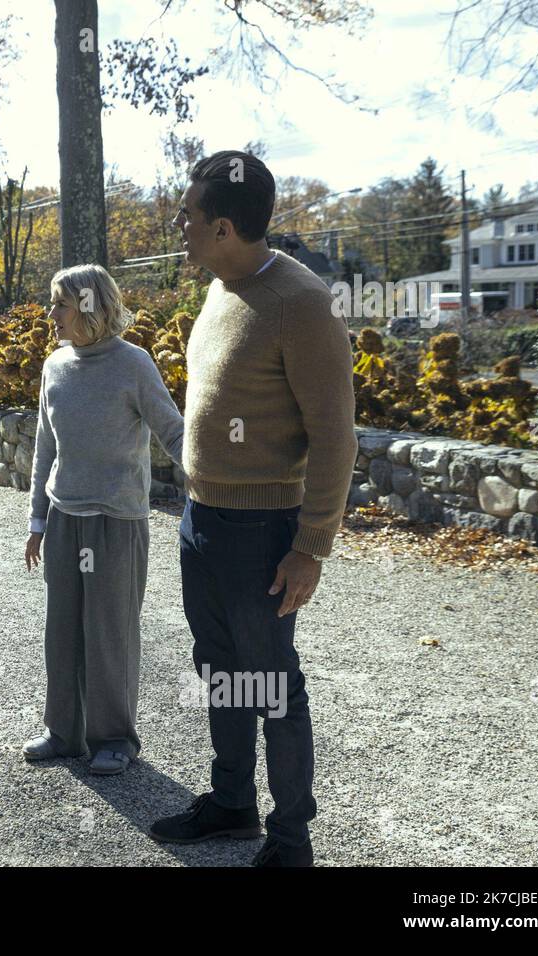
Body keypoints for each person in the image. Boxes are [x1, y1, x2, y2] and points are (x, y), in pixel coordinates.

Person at [146, 151, 357, 866]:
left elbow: (335, 434)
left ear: (225, 229)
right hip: (200, 517)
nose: (179, 226)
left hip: (262, 532)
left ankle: (291, 838)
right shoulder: (220, 286)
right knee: (220, 668)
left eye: (188, 217)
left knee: (272, 684)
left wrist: (312, 545)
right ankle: (232, 803)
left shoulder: (301, 302)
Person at [22, 264, 184, 776]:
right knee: (62, 629)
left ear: (89, 307)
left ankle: (115, 738)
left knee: (110, 632)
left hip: (117, 522)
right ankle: (63, 732)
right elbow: (46, 446)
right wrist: (37, 520)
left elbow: (172, 430)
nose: (52, 315)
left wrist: (210, 480)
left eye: (61, 305)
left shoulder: (133, 364)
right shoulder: (54, 366)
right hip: (66, 517)